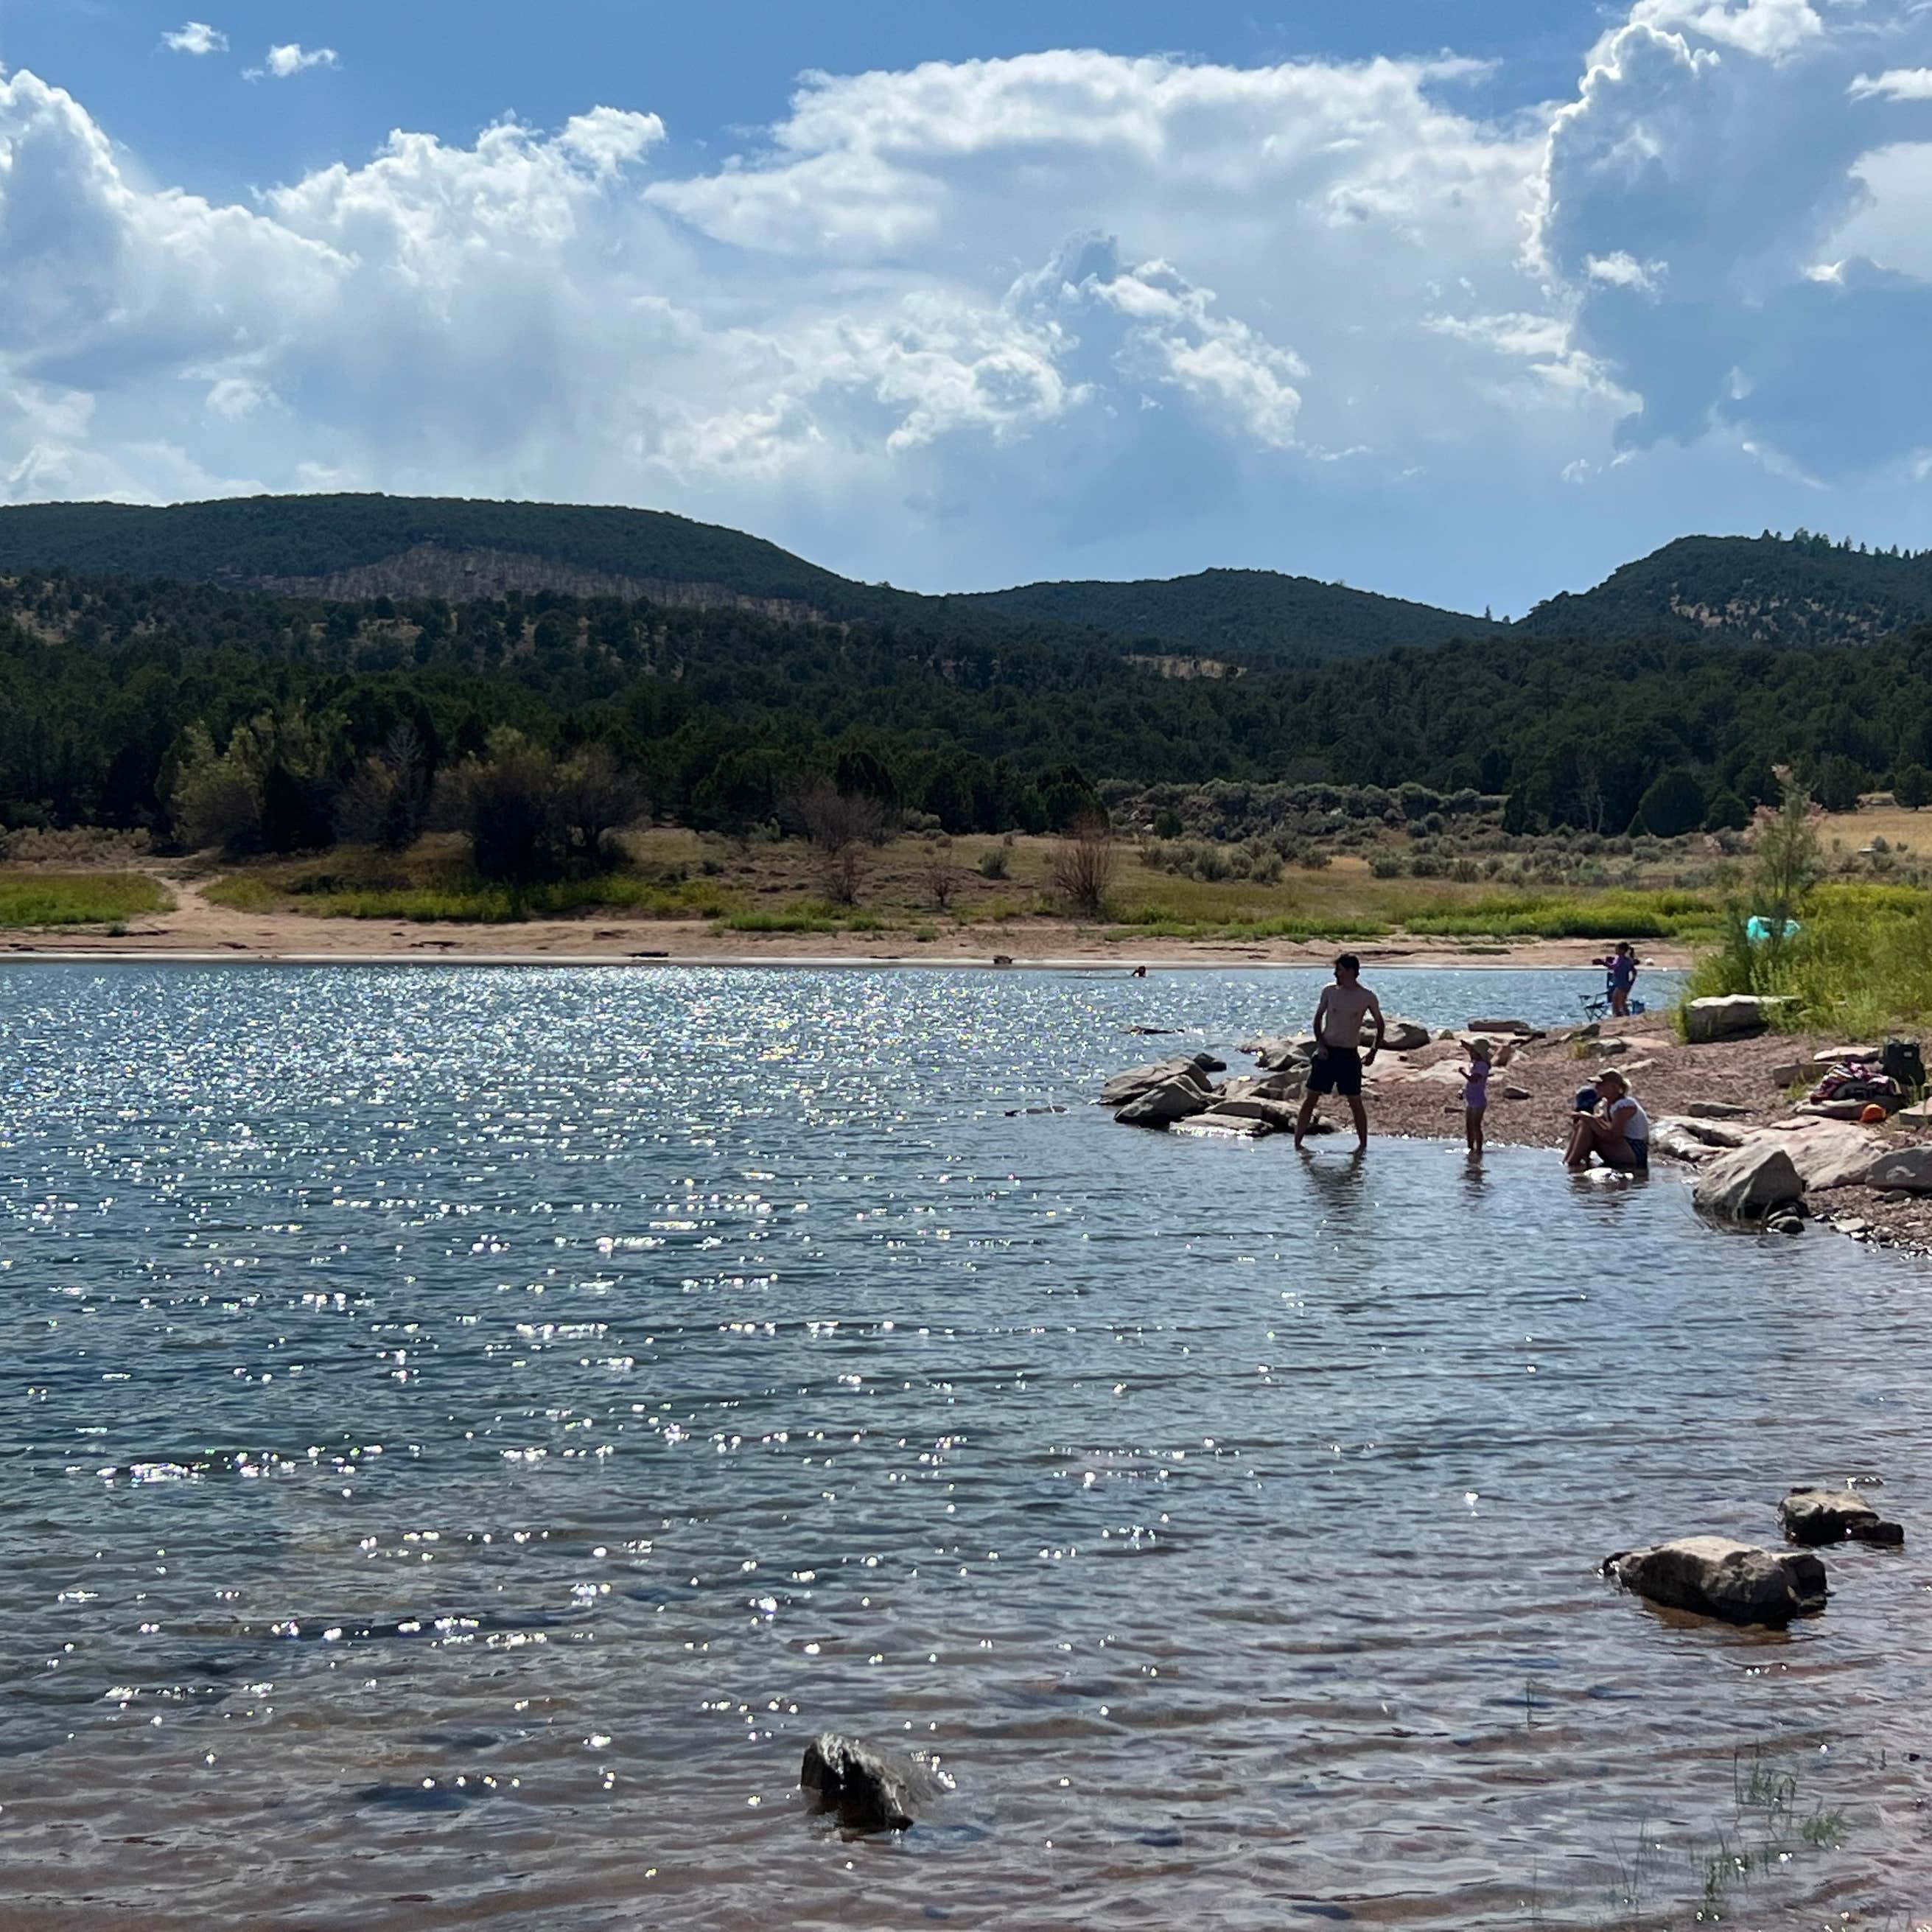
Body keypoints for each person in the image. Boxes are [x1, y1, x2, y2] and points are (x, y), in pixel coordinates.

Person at [1294, 954, 1386, 1152]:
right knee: (1311, 1097)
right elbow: (1317, 1019)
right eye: (1336, 971)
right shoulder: (1329, 992)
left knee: (1355, 1100)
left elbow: (1380, 1025)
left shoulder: (1367, 996)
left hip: (1349, 1055)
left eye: (1340, 970)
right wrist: (1321, 1045)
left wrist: (1373, 1051)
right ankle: (1298, 1145)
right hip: (1327, 1053)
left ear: (1351, 971)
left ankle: (1362, 1147)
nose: (1336, 974)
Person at [1564, 1066, 1650, 1171]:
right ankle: (1568, 1161)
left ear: (1613, 1087)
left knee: (1587, 1125)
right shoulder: (1607, 1104)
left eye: (1600, 1084)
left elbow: (1614, 1136)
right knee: (1583, 1123)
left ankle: (1573, 1163)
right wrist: (1586, 1119)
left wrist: (1591, 1120)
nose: (1596, 1088)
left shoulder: (1624, 1106)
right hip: (1623, 1147)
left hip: (1634, 1153)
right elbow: (1601, 1123)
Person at [1460, 1037, 1493, 1159]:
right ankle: (1470, 1148)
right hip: (1471, 1100)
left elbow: (1474, 1080)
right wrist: (1462, 1091)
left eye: (1474, 1051)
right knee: (1469, 1126)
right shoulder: (1474, 1064)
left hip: (1479, 1102)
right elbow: (1469, 1083)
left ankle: (1479, 1150)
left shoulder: (1483, 1066)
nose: (1471, 1053)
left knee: (1476, 1126)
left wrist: (1463, 1073)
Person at [1595, 941, 1639, 1018]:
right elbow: (1634, 971)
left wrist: (1603, 963)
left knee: (1615, 1003)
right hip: (1626, 984)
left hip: (1620, 985)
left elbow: (1613, 967)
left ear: (1622, 950)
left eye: (1617, 949)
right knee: (1622, 1003)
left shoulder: (1620, 958)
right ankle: (1627, 1017)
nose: (1615, 950)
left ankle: (1618, 1017)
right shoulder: (1628, 959)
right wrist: (1632, 981)